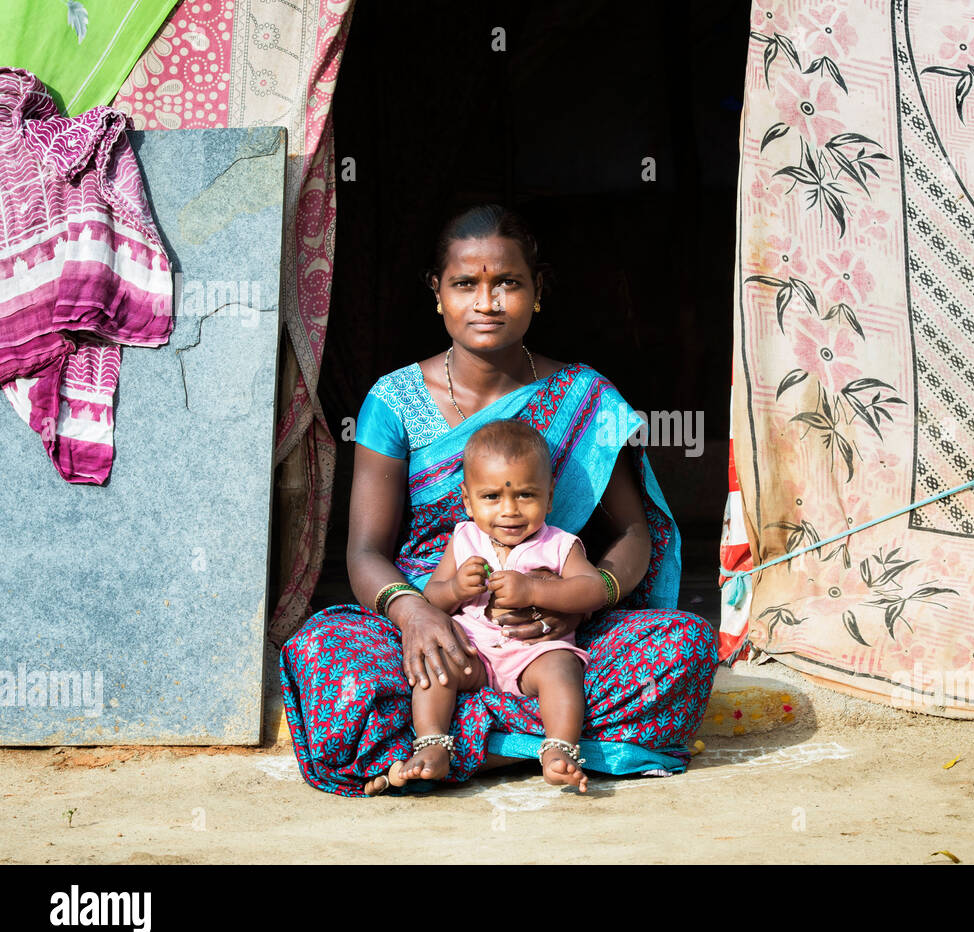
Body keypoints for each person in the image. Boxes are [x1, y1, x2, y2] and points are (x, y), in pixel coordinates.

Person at [279, 203, 718, 797]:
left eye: (507, 282)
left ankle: (449, 746)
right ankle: (545, 743)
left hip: (557, 638)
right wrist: (416, 615)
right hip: (438, 631)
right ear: (437, 292)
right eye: (465, 284)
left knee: (685, 644)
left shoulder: (583, 396)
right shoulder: (393, 400)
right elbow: (363, 552)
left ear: (538, 292)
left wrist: (579, 600)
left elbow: (634, 535)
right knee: (324, 657)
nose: (486, 302)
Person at [396, 418, 607, 792]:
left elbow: (594, 590)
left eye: (525, 495)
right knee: (437, 662)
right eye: (491, 497)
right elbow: (432, 598)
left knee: (562, 667)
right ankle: (432, 743)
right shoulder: (463, 539)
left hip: (533, 657)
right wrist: (458, 588)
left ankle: (559, 748)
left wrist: (535, 592)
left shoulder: (560, 544)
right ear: (467, 499)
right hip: (474, 655)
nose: (509, 510)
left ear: (550, 496)